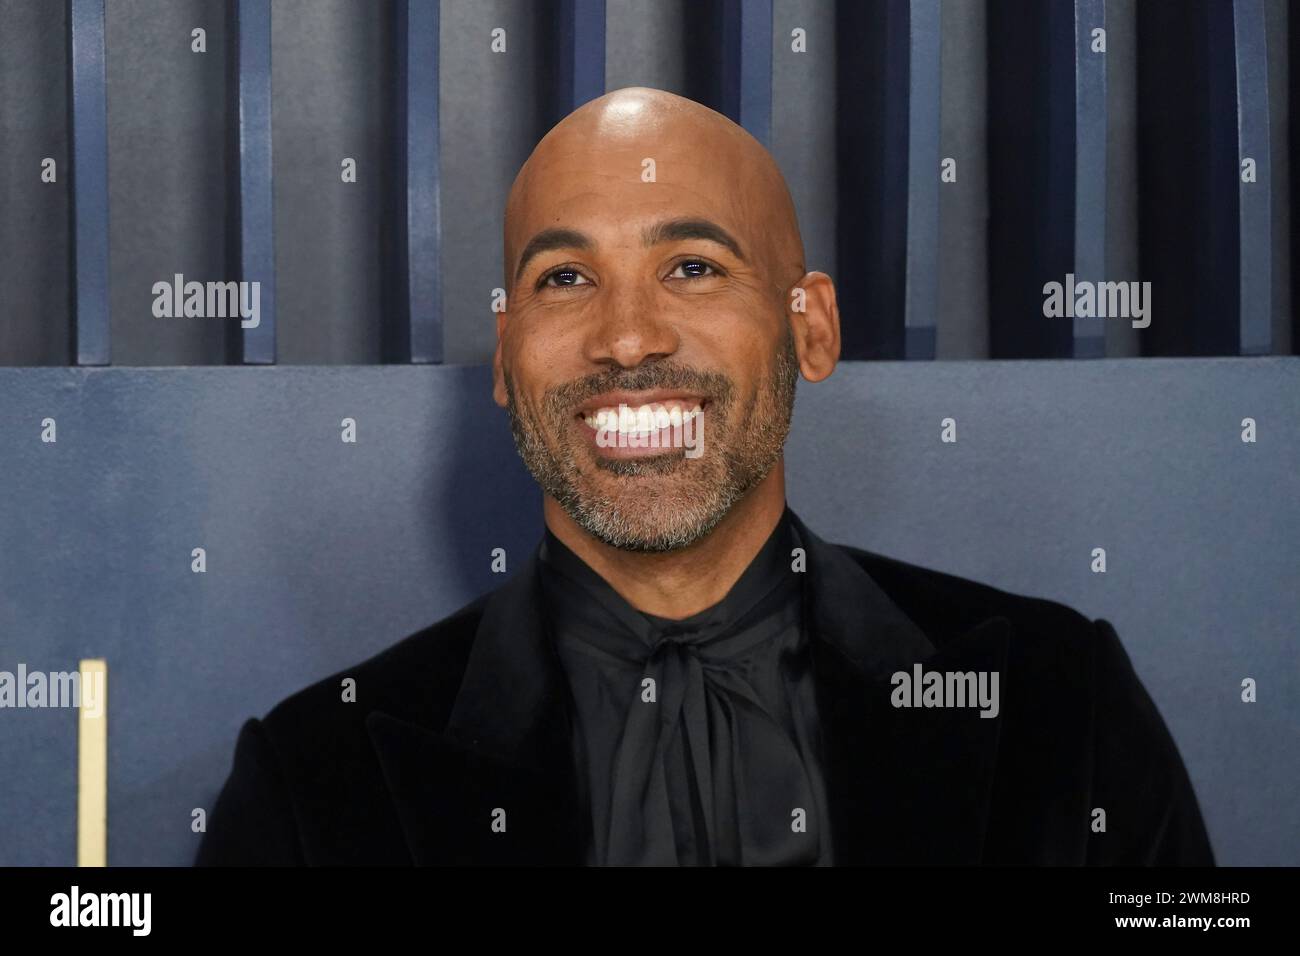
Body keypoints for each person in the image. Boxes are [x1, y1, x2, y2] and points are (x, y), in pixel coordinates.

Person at [195, 87, 1213, 866]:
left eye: (692, 266)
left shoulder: (1062, 703)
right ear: (505, 358)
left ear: (810, 327)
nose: (627, 337)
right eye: (565, 277)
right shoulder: (311, 780)